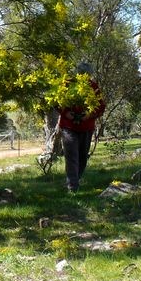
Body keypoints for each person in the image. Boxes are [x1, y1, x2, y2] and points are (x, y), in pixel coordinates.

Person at [58, 61, 105, 192]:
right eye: (82, 74)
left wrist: (89, 115)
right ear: (77, 73)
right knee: (72, 155)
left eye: (87, 75)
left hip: (86, 127)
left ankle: (75, 180)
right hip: (69, 127)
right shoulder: (68, 83)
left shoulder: (93, 86)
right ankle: (72, 187)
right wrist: (66, 113)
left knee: (82, 157)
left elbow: (101, 106)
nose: (84, 76)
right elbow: (57, 102)